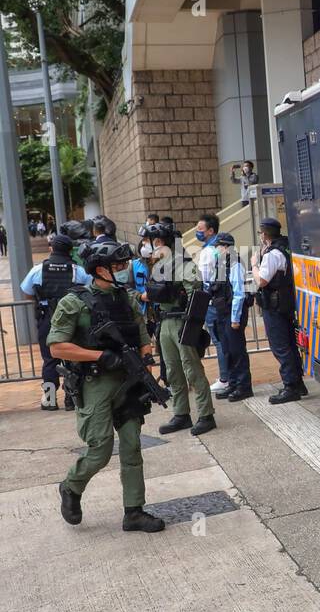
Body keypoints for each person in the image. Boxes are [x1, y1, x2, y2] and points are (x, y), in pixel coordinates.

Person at [46, 241, 166, 533]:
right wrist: (99, 355)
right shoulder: (74, 302)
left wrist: (146, 364)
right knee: (100, 450)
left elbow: (141, 336)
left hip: (129, 382)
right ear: (100, 270)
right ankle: (71, 487)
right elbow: (57, 347)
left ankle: (134, 511)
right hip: (95, 383)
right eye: (118, 267)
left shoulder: (126, 299)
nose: (124, 271)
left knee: (132, 446)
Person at [143, 226, 217, 436]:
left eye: (150, 241)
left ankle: (205, 415)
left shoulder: (183, 264)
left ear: (158, 241)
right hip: (165, 322)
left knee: (191, 369)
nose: (147, 246)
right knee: (173, 371)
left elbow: (197, 295)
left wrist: (192, 325)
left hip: (181, 321)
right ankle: (181, 413)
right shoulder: (159, 264)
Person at [20, 233, 91, 410]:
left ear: (51, 249)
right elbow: (89, 293)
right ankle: (71, 399)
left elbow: (27, 293)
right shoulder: (77, 270)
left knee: (50, 360)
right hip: (73, 320)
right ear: (69, 251)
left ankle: (50, 400)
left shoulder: (38, 270)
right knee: (73, 358)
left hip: (47, 319)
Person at [254, 217, 308, 404]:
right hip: (285, 303)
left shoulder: (271, 254)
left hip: (274, 305)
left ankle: (290, 386)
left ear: (265, 234)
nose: (260, 236)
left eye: (261, 232)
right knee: (290, 344)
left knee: (280, 346)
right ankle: (298, 382)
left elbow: (261, 280)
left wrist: (254, 264)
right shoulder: (285, 246)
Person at [209, 232, 252, 401]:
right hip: (223, 313)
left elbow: (239, 294)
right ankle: (233, 384)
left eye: (218, 246)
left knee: (237, 351)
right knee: (228, 351)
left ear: (226, 247)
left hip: (233, 315)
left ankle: (243, 386)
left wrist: (235, 319)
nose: (215, 250)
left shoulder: (235, 264)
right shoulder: (222, 264)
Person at [194, 214, 231, 395]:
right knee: (225, 339)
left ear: (211, 231)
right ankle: (229, 377)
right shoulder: (221, 247)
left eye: (200, 230)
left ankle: (225, 378)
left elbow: (204, 278)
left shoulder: (209, 251)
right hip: (223, 299)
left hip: (212, 301)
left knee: (219, 340)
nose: (198, 232)